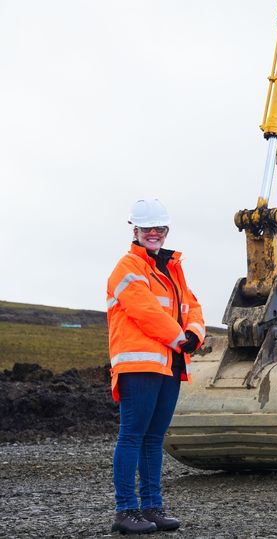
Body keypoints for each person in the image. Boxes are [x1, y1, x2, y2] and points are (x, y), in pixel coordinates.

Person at [106, 198, 205, 534]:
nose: (153, 233)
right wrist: (181, 339)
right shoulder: (127, 268)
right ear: (135, 230)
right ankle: (126, 510)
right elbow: (147, 312)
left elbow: (192, 305)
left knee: (153, 438)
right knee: (132, 436)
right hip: (140, 365)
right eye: (147, 228)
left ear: (165, 231)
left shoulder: (172, 269)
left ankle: (152, 506)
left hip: (169, 364)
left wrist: (194, 334)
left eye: (159, 228)